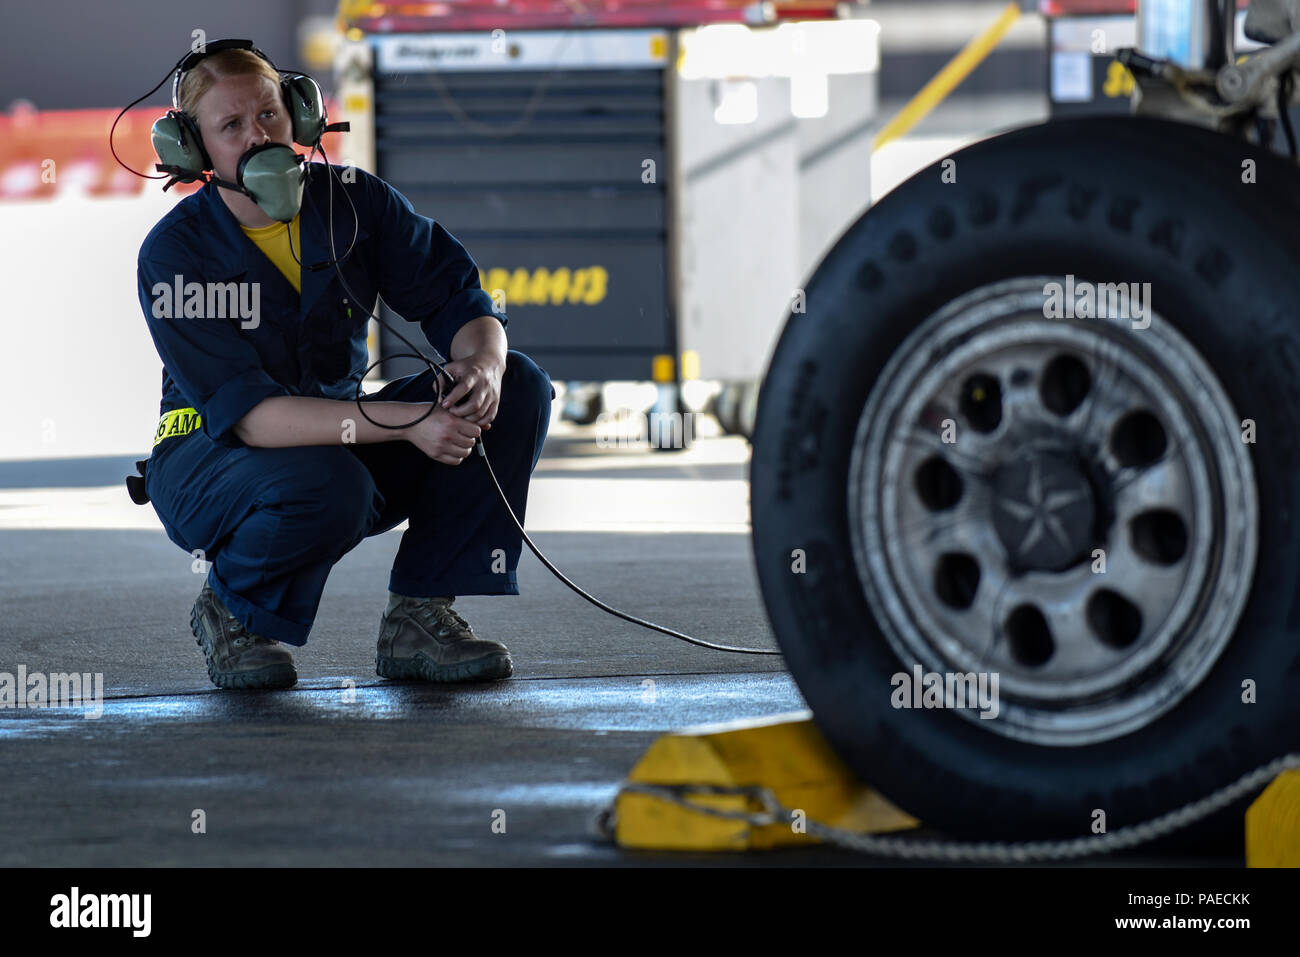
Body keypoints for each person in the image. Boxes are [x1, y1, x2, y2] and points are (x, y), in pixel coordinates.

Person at [134, 44, 554, 690]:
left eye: (270, 114)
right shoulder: (174, 256)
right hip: (210, 458)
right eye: (231, 126)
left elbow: (457, 296)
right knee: (332, 486)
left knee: (520, 386)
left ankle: (420, 614)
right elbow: (254, 419)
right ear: (192, 150)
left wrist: (485, 367)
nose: (259, 136)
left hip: (340, 439)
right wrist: (413, 421)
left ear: (300, 115)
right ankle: (233, 610)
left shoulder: (354, 202)